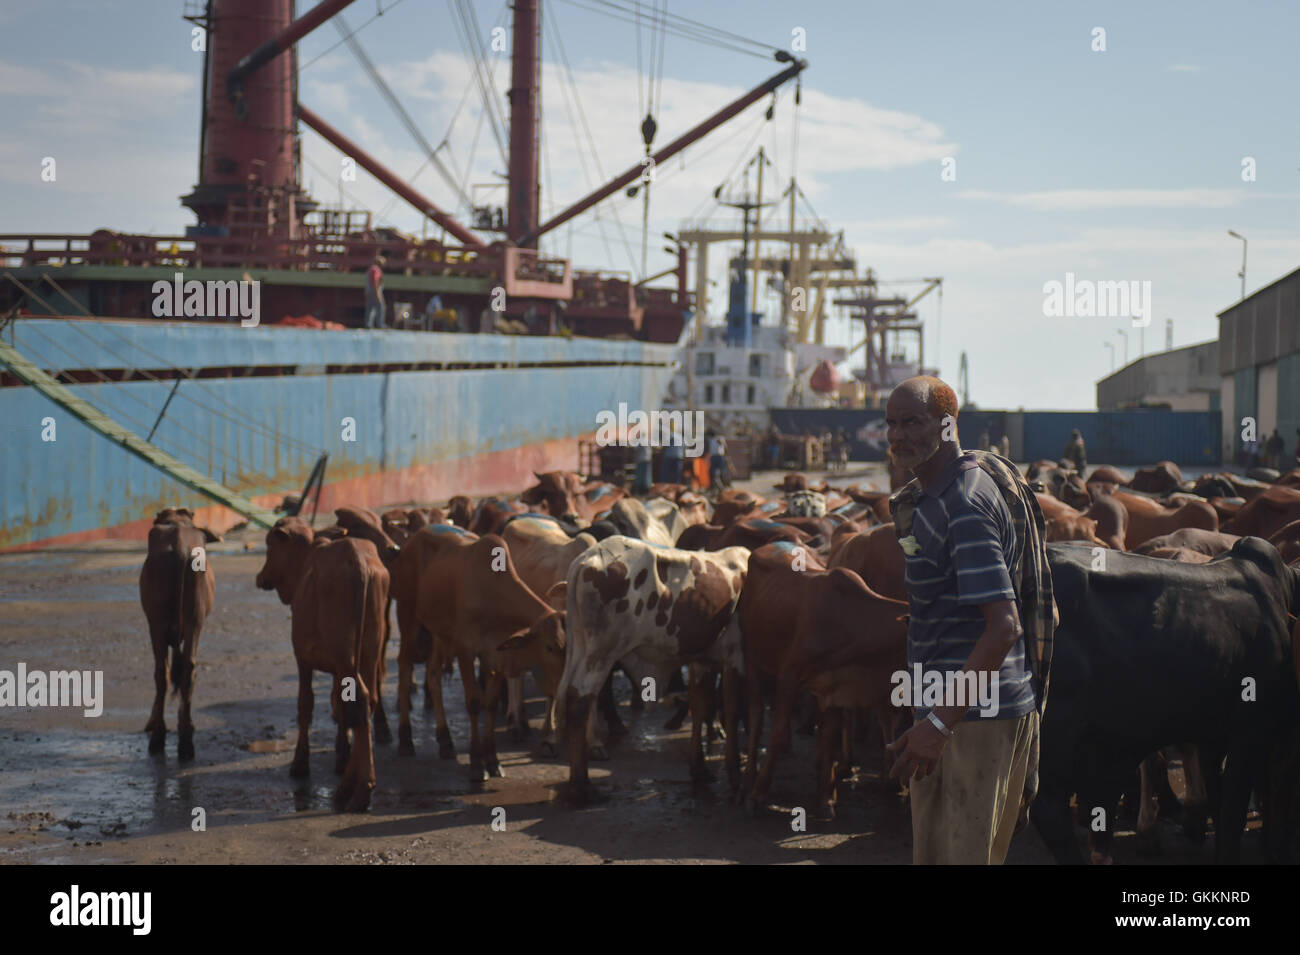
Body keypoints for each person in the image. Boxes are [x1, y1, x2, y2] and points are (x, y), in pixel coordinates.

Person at [884, 375, 1054, 865]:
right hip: (952, 711)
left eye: (912, 422)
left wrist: (938, 723)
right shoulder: (934, 496)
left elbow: (1004, 626)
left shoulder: (964, 503)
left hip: (977, 718)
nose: (898, 435)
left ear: (947, 424)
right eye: (892, 423)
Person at [365, 254, 386, 329]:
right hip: (375, 291)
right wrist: (378, 293)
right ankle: (380, 324)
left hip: (369, 291)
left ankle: (368, 323)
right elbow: (375, 281)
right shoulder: (376, 270)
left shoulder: (370, 269)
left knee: (370, 308)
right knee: (380, 307)